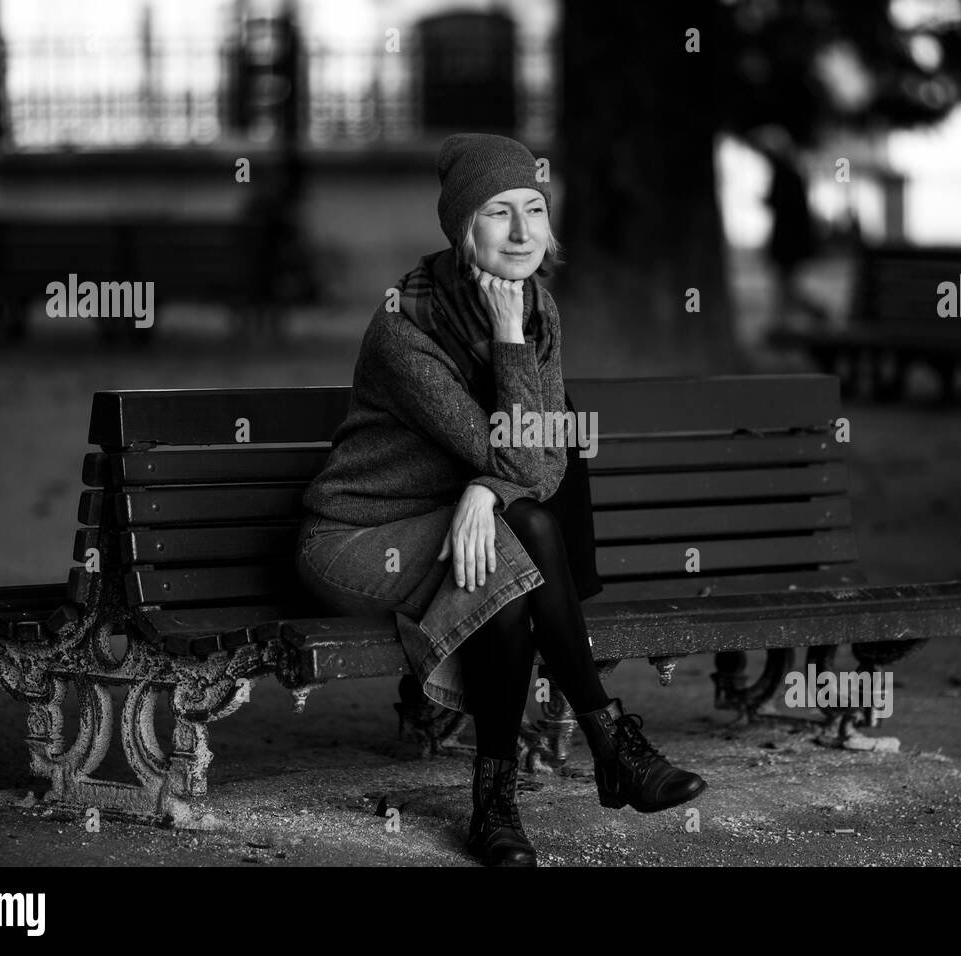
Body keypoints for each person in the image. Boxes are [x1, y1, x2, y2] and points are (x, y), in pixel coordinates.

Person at [295, 133, 706, 867]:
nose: (521, 233)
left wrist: (487, 490)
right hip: (358, 544)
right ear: (462, 229)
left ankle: (498, 805)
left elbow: (542, 463)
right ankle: (607, 747)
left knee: (508, 567)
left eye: (535, 210)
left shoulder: (539, 305)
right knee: (521, 534)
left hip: (471, 535)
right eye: (497, 213)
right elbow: (524, 457)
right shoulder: (405, 331)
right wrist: (509, 345)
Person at [754, 125, 830, 332]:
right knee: (785, 285)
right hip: (792, 240)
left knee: (785, 285)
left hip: (787, 241)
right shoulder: (793, 174)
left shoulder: (784, 175)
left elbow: (780, 204)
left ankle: (802, 316)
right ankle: (785, 321)